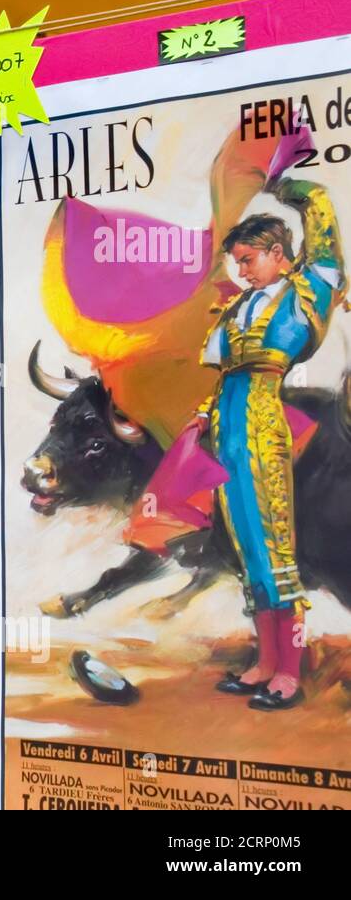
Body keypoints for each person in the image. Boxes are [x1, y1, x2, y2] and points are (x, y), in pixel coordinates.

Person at [203, 175, 345, 711]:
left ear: (281, 256)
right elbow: (223, 374)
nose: (240, 271)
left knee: (272, 546)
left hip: (262, 417)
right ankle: (265, 662)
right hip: (229, 422)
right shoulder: (238, 310)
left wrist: (295, 190)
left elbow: (328, 245)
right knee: (245, 545)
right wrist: (204, 417)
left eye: (249, 259)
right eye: (236, 262)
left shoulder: (301, 292)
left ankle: (289, 670)